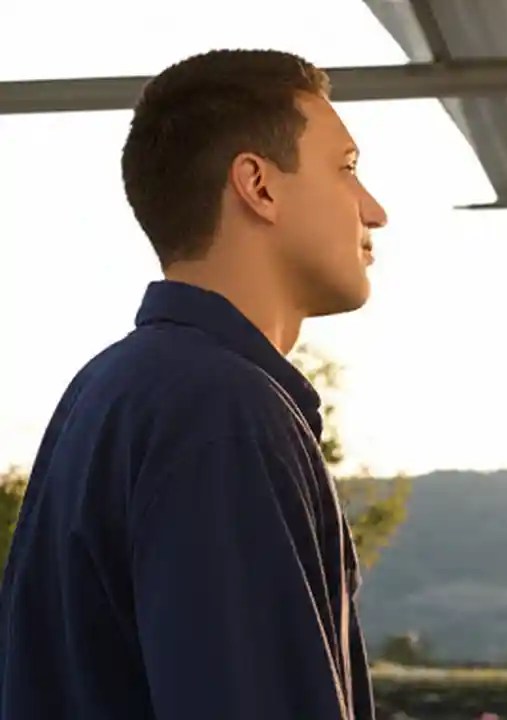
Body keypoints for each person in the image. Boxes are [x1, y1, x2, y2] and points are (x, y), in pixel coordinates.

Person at [0, 49, 388, 719]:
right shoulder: (219, 412)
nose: (374, 210)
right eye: (347, 170)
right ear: (258, 186)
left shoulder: (113, 389)